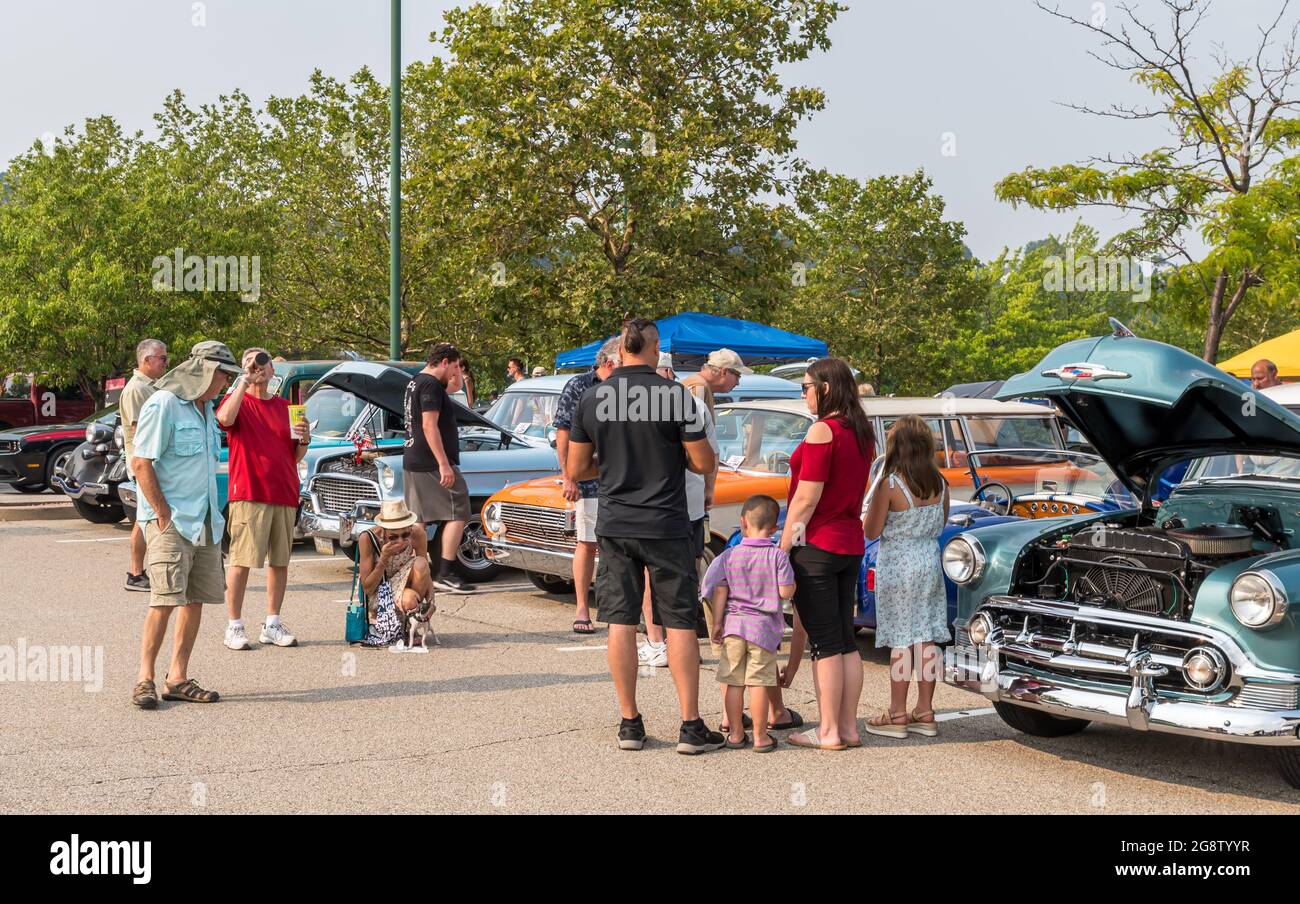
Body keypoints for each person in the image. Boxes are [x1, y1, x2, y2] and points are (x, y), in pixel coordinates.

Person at [568, 317, 722, 754]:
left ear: (620, 350)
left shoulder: (593, 397)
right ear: (653, 347)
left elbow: (577, 469)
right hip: (667, 523)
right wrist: (676, 460)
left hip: (616, 522)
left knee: (620, 620)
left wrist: (612, 468)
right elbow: (704, 462)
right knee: (678, 622)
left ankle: (629, 722)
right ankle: (690, 726)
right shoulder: (676, 397)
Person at [130, 341, 242, 709]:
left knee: (195, 600)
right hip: (173, 522)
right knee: (163, 600)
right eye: (223, 375)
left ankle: (177, 677)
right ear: (205, 371)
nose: (225, 383)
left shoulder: (207, 409)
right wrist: (162, 513)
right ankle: (144, 679)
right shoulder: (164, 404)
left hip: (206, 521)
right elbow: (141, 463)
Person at [779, 356, 874, 750]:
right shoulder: (862, 432)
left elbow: (805, 499)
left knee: (825, 643)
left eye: (805, 386)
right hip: (850, 543)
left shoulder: (823, 431)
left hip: (816, 544)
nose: (803, 393)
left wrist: (782, 548)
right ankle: (848, 728)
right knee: (845, 640)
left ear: (826, 387)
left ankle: (829, 730)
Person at [216, 348, 311, 651]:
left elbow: (295, 455)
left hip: (284, 490)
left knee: (280, 561)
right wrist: (243, 381)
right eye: (252, 362)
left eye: (263, 362)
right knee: (241, 560)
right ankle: (234, 625)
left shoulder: (288, 407)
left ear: (273, 371)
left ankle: (272, 623)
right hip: (249, 492)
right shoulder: (239, 403)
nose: (258, 367)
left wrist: (305, 438)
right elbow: (224, 419)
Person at [862, 415, 950, 738]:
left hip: (899, 563)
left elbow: (870, 529)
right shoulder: (940, 483)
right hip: (929, 560)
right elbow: (941, 524)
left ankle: (898, 712)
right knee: (926, 636)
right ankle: (925, 711)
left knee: (901, 638)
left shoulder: (891, 484)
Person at [708, 495, 795, 753]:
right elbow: (785, 592)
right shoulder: (778, 556)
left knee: (734, 681)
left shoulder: (730, 555)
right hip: (763, 630)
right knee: (758, 682)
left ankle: (735, 734)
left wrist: (717, 624)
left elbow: (720, 590)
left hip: (734, 627)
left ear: (743, 522)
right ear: (774, 528)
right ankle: (760, 736)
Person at [553, 337, 621, 635]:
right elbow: (563, 433)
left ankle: (617, 609)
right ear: (609, 364)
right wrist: (569, 476)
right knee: (587, 541)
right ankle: (582, 607)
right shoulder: (579, 386)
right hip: (590, 481)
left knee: (618, 546)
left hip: (621, 479)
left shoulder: (626, 388)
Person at [404, 343, 475, 593]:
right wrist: (444, 463)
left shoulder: (416, 381)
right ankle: (446, 571)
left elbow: (454, 387)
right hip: (431, 461)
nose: (457, 372)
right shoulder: (431, 386)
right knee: (459, 510)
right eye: (454, 366)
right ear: (444, 362)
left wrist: (457, 374)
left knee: (419, 518)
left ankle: (413, 571)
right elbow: (428, 426)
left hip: (414, 457)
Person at [120, 338, 169, 592]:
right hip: (145, 462)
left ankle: (137, 572)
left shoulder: (150, 385)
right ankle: (136, 573)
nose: (166, 362)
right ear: (147, 360)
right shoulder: (138, 388)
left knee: (144, 517)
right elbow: (142, 430)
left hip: (151, 461)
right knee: (145, 517)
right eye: (162, 358)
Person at [357, 500, 436, 646]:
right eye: (393, 537)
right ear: (383, 529)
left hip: (402, 581)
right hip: (378, 591)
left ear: (410, 527)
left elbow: (426, 572)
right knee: (410, 599)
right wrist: (383, 559)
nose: (400, 540)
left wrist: (431, 601)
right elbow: (367, 588)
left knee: (420, 563)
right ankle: (388, 623)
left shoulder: (417, 533)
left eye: (405, 534)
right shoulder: (368, 538)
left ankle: (408, 624)